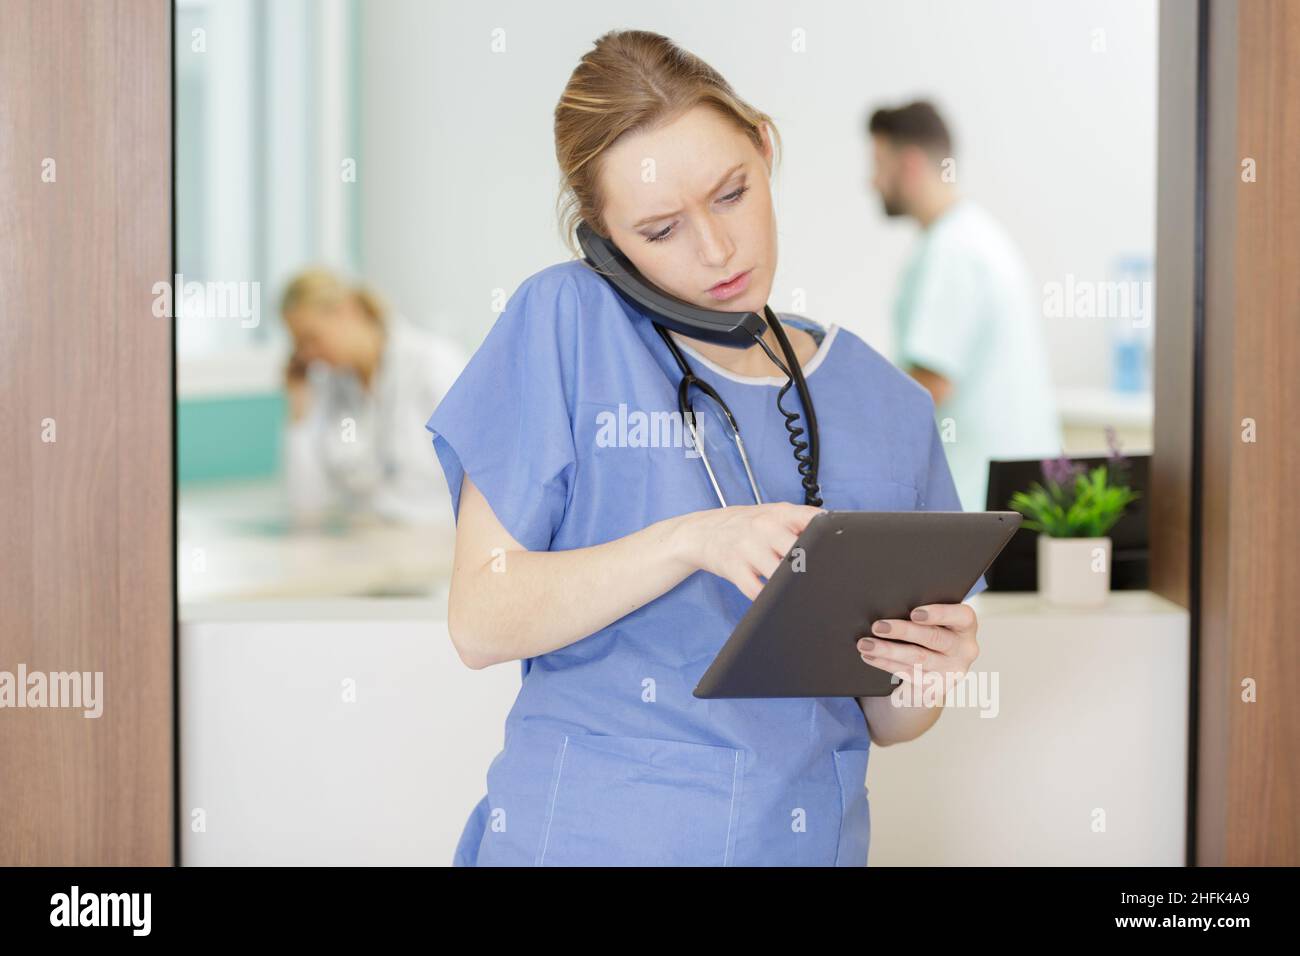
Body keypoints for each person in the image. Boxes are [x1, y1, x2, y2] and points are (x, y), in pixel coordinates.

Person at [427, 31, 985, 867]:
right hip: (583, 842)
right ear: (604, 241)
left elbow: (890, 721)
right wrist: (690, 540)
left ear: (765, 145)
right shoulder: (566, 328)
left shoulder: (886, 405)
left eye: (732, 193)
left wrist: (930, 670)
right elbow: (480, 617)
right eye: (660, 230)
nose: (717, 252)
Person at [867, 101, 1063, 512]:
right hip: (1013, 493)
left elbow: (928, 384)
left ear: (910, 164)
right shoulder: (976, 236)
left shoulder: (950, 251)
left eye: (879, 164)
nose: (872, 181)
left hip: (980, 501)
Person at [280, 268, 464, 526]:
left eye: (311, 338)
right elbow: (308, 503)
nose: (307, 355)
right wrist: (300, 411)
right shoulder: (329, 384)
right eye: (298, 345)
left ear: (347, 310)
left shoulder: (433, 363)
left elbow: (477, 477)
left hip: (438, 537)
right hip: (368, 539)